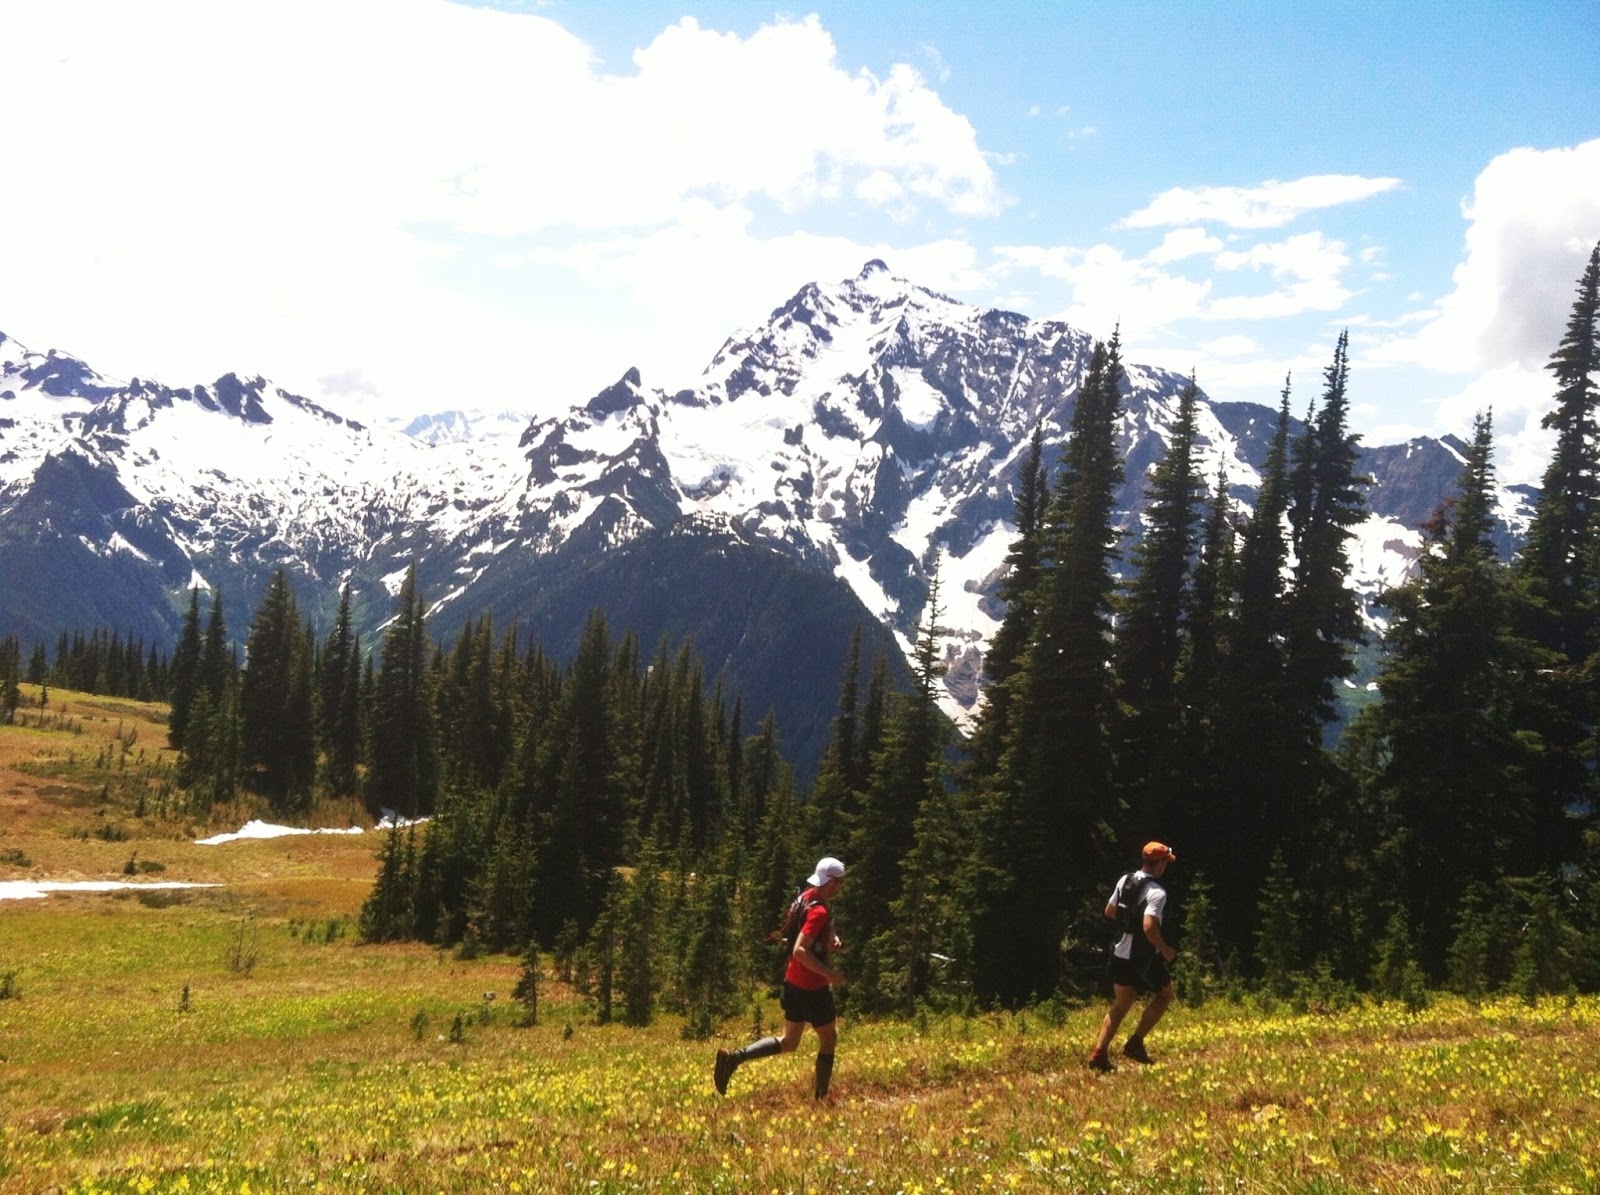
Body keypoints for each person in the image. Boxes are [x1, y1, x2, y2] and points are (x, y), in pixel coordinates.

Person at [714, 856, 845, 1099]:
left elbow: (804, 932)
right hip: (812, 987)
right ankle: (821, 1098)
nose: (841, 887)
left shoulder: (804, 899)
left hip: (792, 982)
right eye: (840, 882)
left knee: (789, 1042)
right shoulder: (818, 910)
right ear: (832, 882)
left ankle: (734, 1058)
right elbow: (800, 949)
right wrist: (830, 974)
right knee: (829, 1039)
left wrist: (831, 938)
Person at [1089, 841, 1178, 1071]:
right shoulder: (1157, 893)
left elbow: (1109, 911)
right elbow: (1149, 927)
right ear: (1157, 864)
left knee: (1122, 1002)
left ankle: (1099, 1054)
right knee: (1165, 995)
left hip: (1120, 950)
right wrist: (1166, 950)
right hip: (1142, 957)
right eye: (1165, 863)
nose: (1165, 867)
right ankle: (1135, 1042)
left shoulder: (1125, 880)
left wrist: (1127, 921)